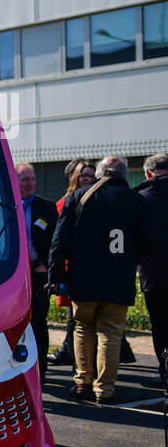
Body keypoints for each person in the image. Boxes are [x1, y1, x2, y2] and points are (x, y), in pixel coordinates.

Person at [48, 156, 157, 404]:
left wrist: (57, 276)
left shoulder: (79, 198)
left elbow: (59, 241)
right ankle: (104, 389)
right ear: (124, 174)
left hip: (83, 279)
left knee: (82, 328)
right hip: (118, 279)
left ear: (100, 173)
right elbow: (151, 243)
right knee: (111, 333)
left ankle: (81, 381)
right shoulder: (135, 200)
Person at [48, 160, 96, 366]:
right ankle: (70, 349)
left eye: (92, 175)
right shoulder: (65, 202)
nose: (89, 179)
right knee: (74, 314)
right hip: (71, 265)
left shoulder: (98, 199)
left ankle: (72, 351)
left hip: (90, 265)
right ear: (75, 177)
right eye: (84, 175)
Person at [16, 163, 58, 382]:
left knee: (39, 322)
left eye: (32, 179)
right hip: (13, 274)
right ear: (15, 181)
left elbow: (55, 240)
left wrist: (44, 263)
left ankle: (41, 371)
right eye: (25, 180)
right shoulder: (6, 206)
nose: (30, 183)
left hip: (37, 271)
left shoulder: (46, 207)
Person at [135, 153, 168, 383]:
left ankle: (164, 371)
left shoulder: (141, 198)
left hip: (153, 272)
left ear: (148, 173)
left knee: (160, 323)